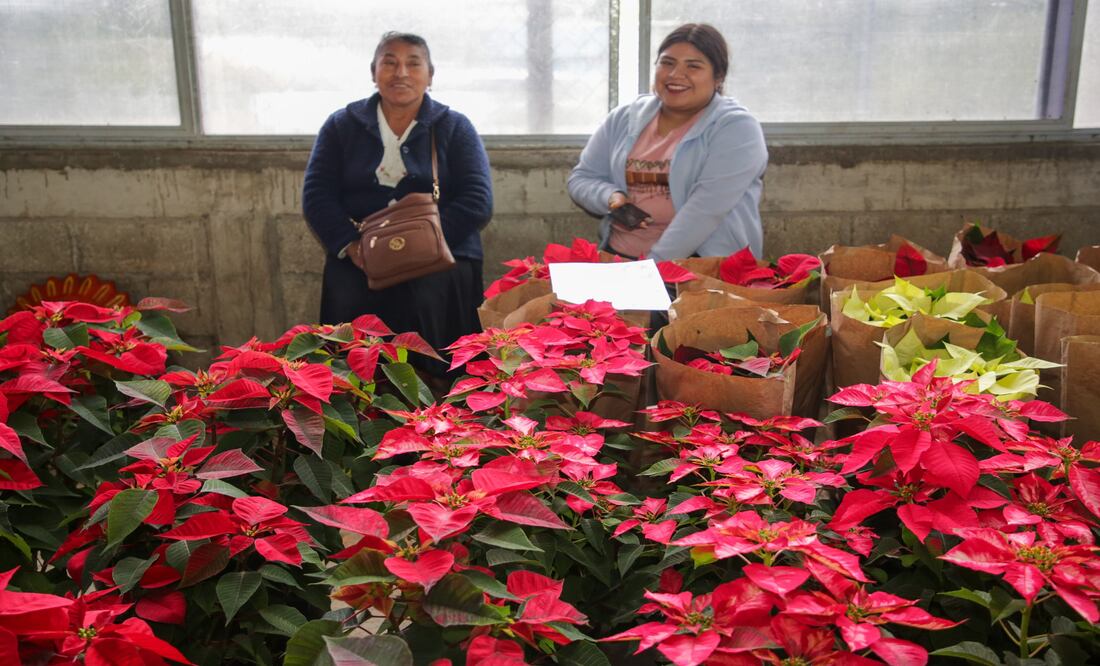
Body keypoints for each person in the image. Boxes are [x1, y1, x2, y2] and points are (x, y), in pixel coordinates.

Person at [303, 31, 493, 378]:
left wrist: (418, 245)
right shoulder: (341, 126)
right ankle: (360, 410)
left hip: (442, 253)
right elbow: (317, 195)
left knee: (428, 303)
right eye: (389, 62)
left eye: (413, 63)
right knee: (351, 315)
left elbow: (477, 200)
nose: (400, 72)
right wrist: (352, 245)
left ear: (430, 75)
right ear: (373, 72)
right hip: (361, 252)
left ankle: (441, 407)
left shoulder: (454, 127)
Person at [568, 23, 767, 262]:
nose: (675, 75)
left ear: (718, 77)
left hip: (701, 268)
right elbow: (582, 178)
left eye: (693, 66)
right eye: (667, 63)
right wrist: (610, 196)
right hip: (622, 257)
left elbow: (704, 212)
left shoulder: (736, 128)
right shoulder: (623, 118)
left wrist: (650, 269)